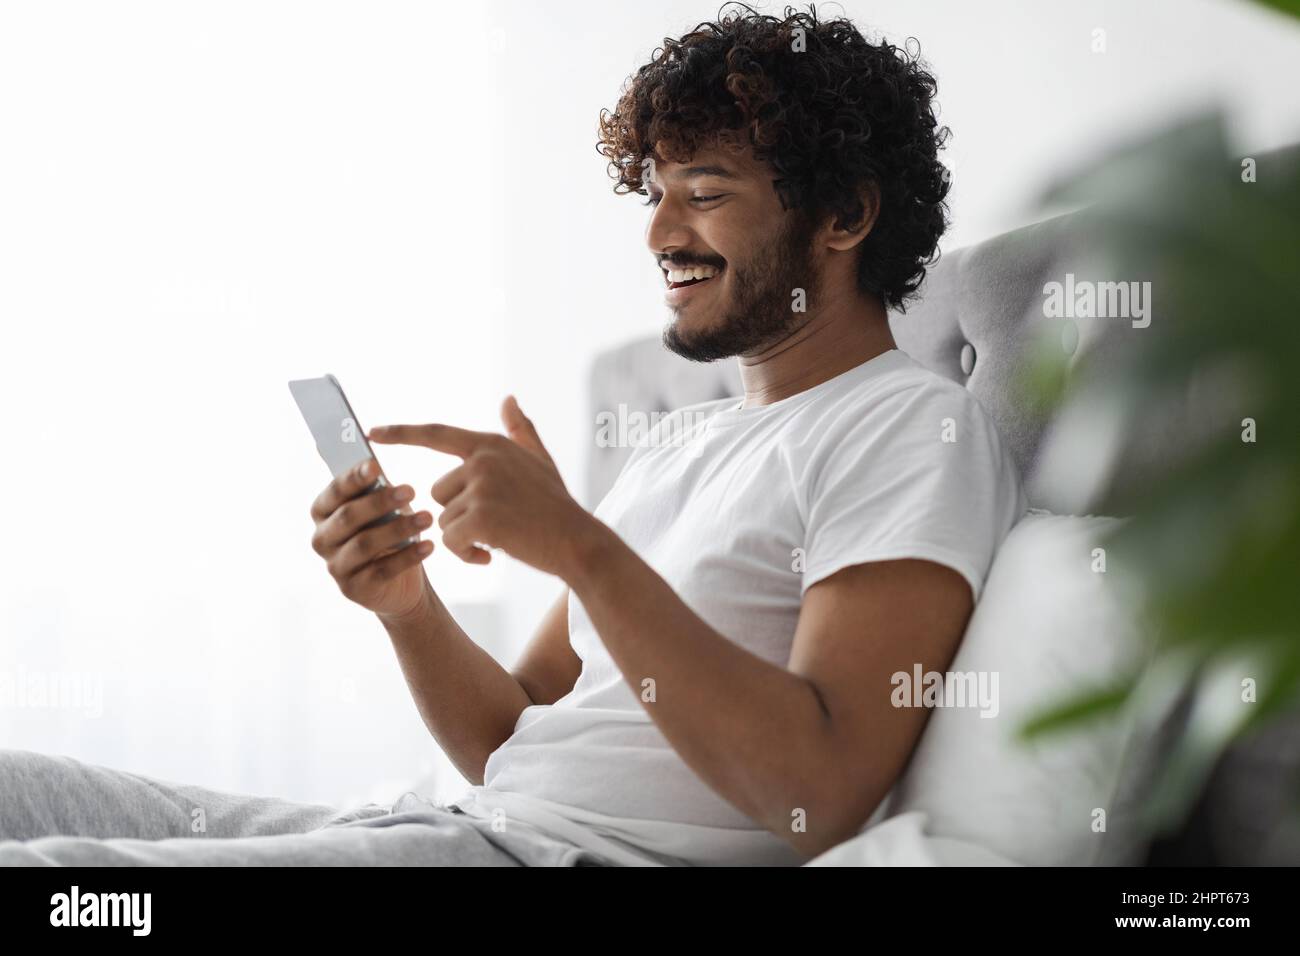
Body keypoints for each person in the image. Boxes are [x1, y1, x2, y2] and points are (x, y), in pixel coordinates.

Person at [1, 4, 1023, 867]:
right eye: (655, 192)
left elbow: (819, 789)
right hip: (452, 824)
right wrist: (408, 604)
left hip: (543, 857)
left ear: (843, 215)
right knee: (20, 794)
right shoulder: (683, 446)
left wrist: (577, 544)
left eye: (704, 193)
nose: (661, 234)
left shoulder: (912, 428)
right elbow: (507, 737)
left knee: (66, 879)